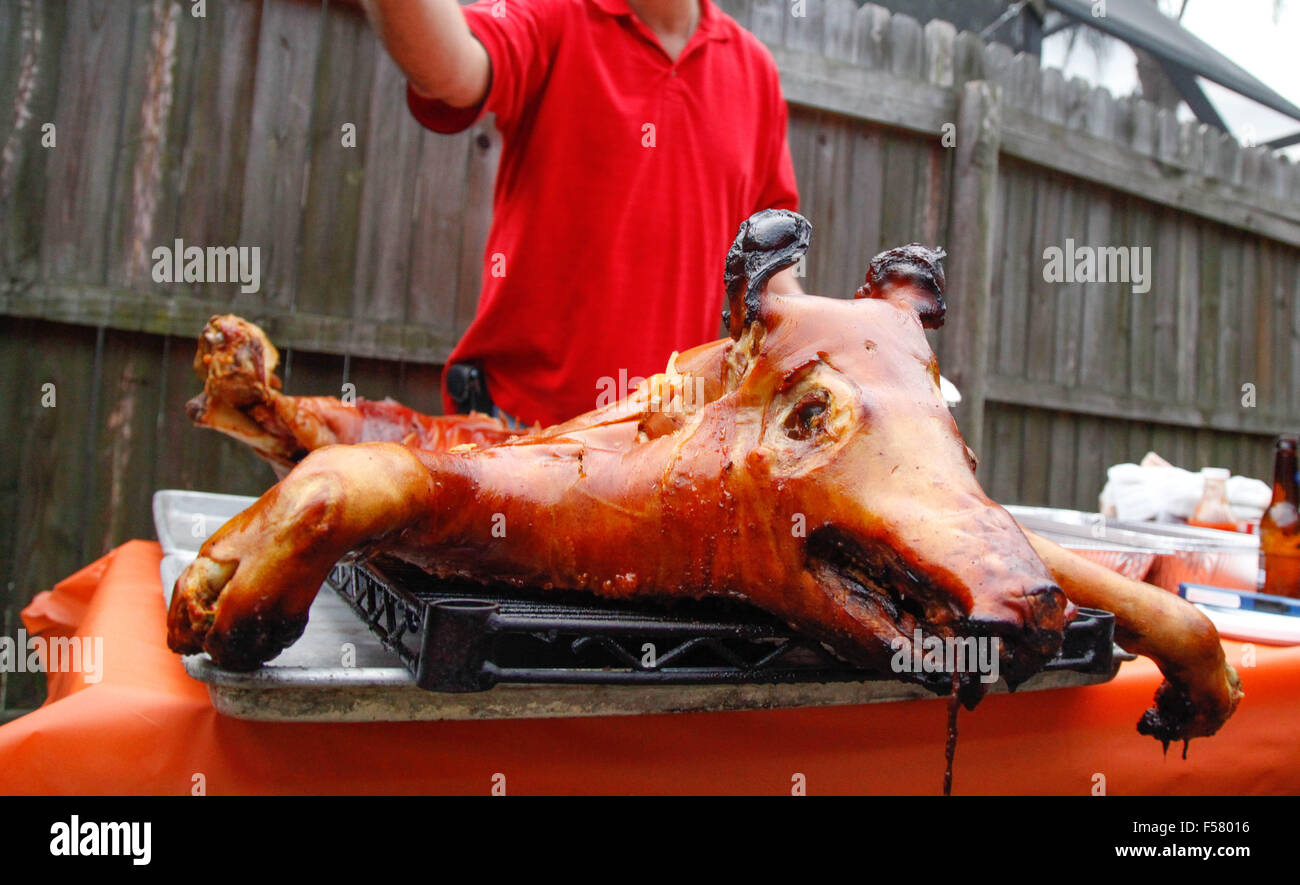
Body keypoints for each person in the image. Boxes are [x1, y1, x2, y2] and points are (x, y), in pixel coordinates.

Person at [360, 0, 801, 427]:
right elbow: (452, 69)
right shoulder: (552, 13)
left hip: (666, 449)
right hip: (521, 437)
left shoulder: (754, 70)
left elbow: (769, 268)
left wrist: (837, 350)